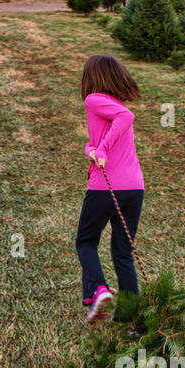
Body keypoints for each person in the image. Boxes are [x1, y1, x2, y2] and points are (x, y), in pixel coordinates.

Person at [76, 54, 144, 323]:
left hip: (105, 187)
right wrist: (91, 148)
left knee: (85, 242)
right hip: (134, 188)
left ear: (93, 77)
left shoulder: (94, 100)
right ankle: (131, 322)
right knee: (123, 252)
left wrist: (101, 148)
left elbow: (127, 116)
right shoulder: (113, 104)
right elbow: (104, 137)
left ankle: (98, 290)